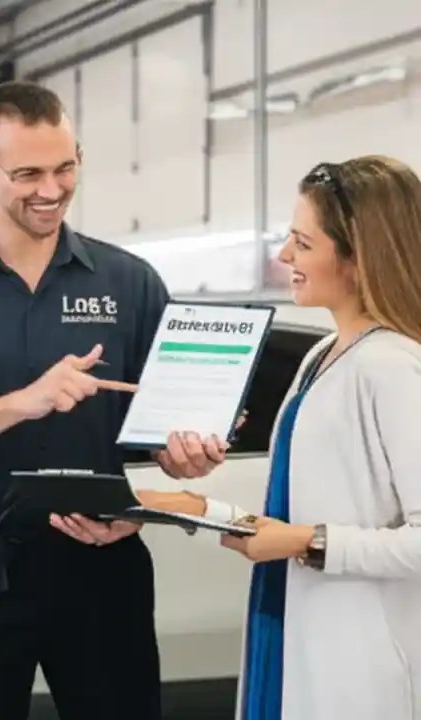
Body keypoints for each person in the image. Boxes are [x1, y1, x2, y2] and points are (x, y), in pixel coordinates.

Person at [0, 80, 227, 720]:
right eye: (27, 173)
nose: (51, 190)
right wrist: (25, 400)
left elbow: (169, 434)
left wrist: (189, 454)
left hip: (103, 564)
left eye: (66, 167)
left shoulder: (129, 282)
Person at [138, 155, 421, 720]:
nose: (283, 257)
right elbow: (297, 514)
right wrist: (185, 507)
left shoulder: (392, 368)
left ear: (360, 257)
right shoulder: (324, 356)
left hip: (361, 669)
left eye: (302, 242)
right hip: (293, 627)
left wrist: (302, 543)